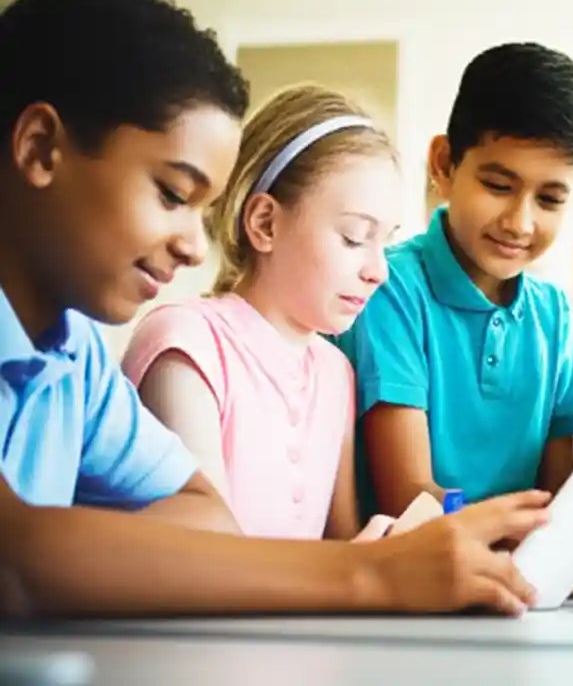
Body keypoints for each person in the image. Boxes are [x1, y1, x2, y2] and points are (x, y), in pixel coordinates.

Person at [0, 0, 550, 618]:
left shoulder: (78, 358)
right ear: (40, 149)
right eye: (173, 195)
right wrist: (370, 574)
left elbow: (207, 520)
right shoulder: (186, 338)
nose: (194, 247)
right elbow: (15, 556)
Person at [333, 42, 573, 521]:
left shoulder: (554, 314)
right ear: (444, 164)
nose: (520, 223)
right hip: (410, 579)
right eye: (498, 186)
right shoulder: (388, 287)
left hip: (516, 578)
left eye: (549, 200)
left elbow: (562, 495)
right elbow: (410, 500)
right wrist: (533, 533)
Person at [122, 85, 401, 540]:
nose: (378, 271)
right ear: (264, 223)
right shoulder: (186, 345)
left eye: (385, 241)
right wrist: (360, 564)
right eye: (353, 237)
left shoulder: (336, 372)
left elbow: (338, 543)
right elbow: (204, 556)